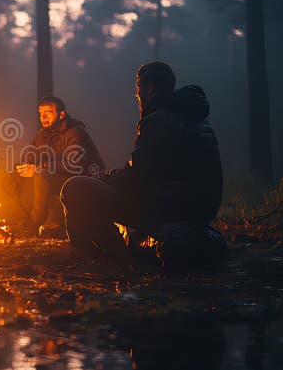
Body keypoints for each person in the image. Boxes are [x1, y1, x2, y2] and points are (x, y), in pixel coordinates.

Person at [61, 61, 226, 268]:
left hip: (168, 207)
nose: (136, 95)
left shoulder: (159, 119)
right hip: (199, 208)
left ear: (151, 89)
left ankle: (114, 257)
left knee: (74, 187)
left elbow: (137, 176)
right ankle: (119, 253)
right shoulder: (195, 117)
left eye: (138, 88)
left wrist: (103, 178)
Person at [15, 96, 104, 236]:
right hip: (61, 180)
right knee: (13, 178)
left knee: (41, 174)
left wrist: (40, 167)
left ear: (61, 114)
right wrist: (22, 167)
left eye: (48, 113)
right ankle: (18, 220)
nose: (43, 117)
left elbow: (74, 164)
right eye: (40, 114)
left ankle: (34, 223)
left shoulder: (76, 132)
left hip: (84, 182)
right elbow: (30, 156)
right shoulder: (42, 136)